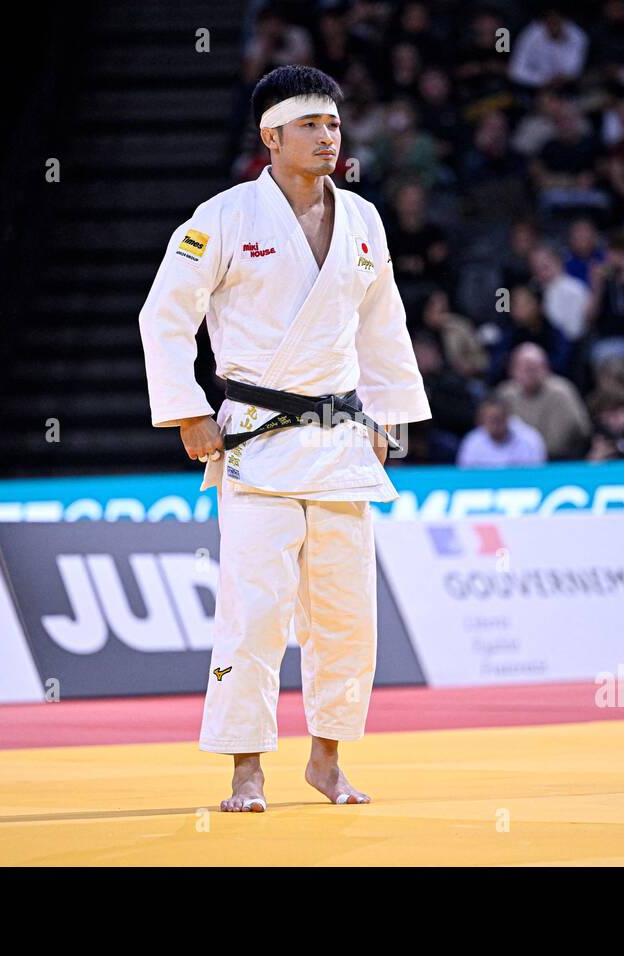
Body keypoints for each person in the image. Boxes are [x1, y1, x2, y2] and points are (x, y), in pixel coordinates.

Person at [138, 66, 430, 813]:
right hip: (257, 441)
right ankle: (245, 769)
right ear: (272, 136)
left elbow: (382, 322)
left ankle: (327, 762)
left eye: (333, 125)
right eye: (311, 126)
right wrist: (186, 409)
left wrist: (389, 413)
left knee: (346, 616)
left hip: (340, 440)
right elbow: (164, 315)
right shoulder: (223, 217)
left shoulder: (363, 219)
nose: (328, 138)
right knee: (255, 612)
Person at [495, 342, 592, 459]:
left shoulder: (561, 392)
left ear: (546, 368)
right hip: (516, 462)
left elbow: (582, 430)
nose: (530, 374)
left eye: (534, 368)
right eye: (524, 368)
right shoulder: (505, 395)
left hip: (559, 461)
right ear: (512, 370)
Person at [457, 395, 547, 468]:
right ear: (481, 421)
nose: (494, 425)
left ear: (507, 417)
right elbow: (466, 476)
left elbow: (537, 474)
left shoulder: (529, 439)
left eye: (498, 419)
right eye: (490, 420)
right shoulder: (472, 443)